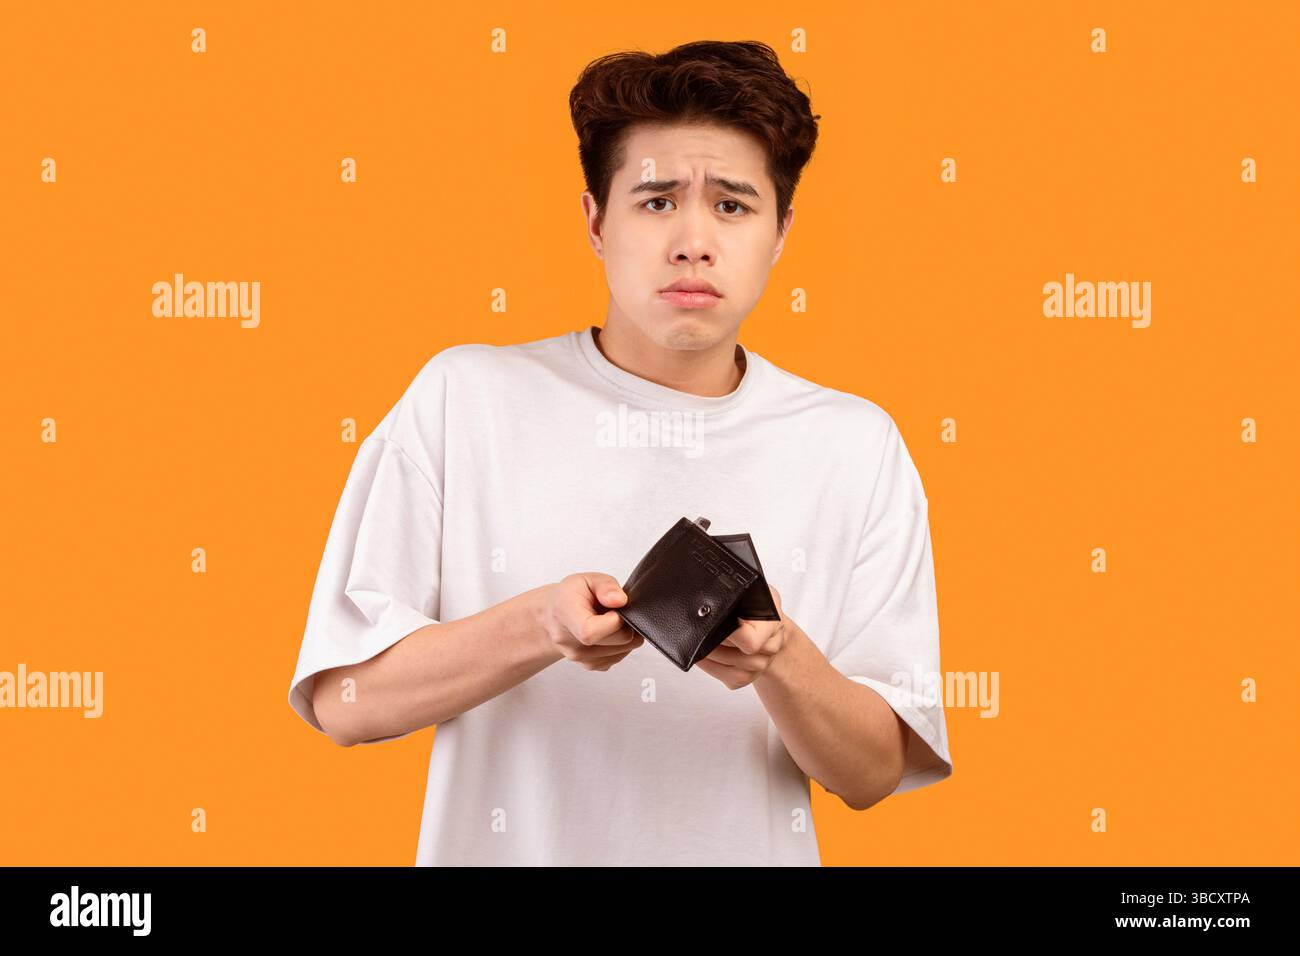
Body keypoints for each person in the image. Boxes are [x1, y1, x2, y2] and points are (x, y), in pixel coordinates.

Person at [287, 39, 953, 866]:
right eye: (657, 201)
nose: (693, 241)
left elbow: (875, 772)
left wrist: (781, 658)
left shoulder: (856, 444)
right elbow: (343, 702)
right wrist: (539, 626)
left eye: (733, 206)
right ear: (596, 221)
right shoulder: (465, 398)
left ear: (782, 232)